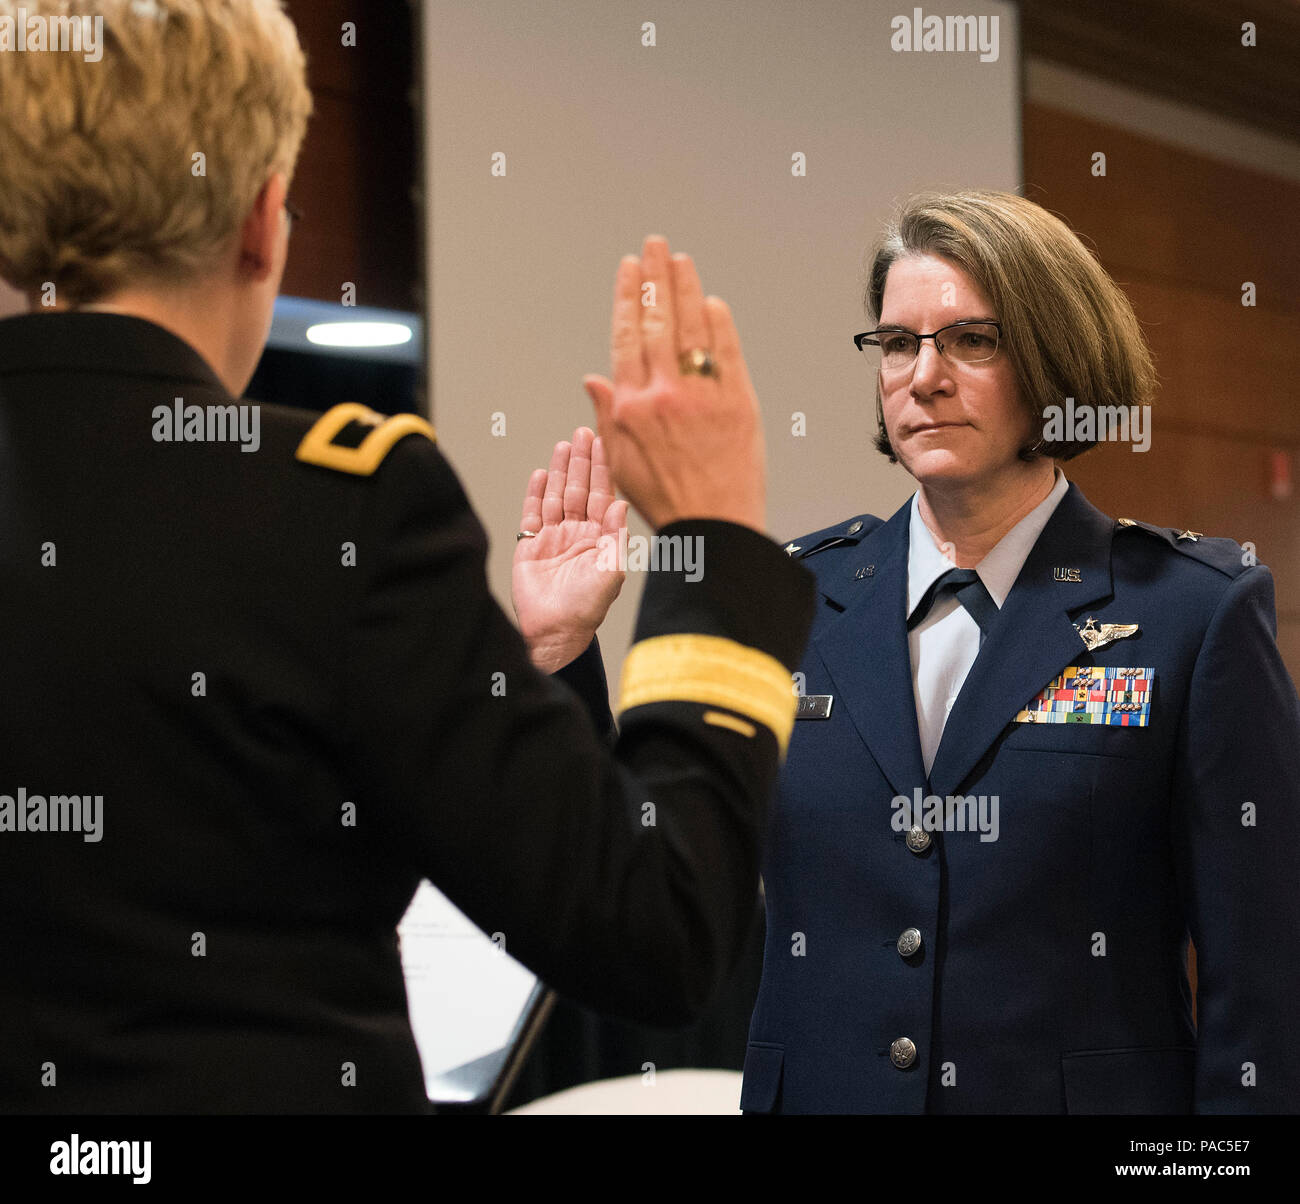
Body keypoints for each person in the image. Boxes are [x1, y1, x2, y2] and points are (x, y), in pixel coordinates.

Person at [0, 0, 815, 1113]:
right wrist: (711, 537)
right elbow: (655, 929)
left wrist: (523, 661)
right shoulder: (334, 512)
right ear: (262, 218)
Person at [539, 189, 1300, 1114]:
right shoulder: (793, 596)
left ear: (1059, 365)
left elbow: (1264, 980)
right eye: (898, 343)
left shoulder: (1189, 612)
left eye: (971, 341)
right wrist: (561, 648)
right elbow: (641, 874)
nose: (923, 376)